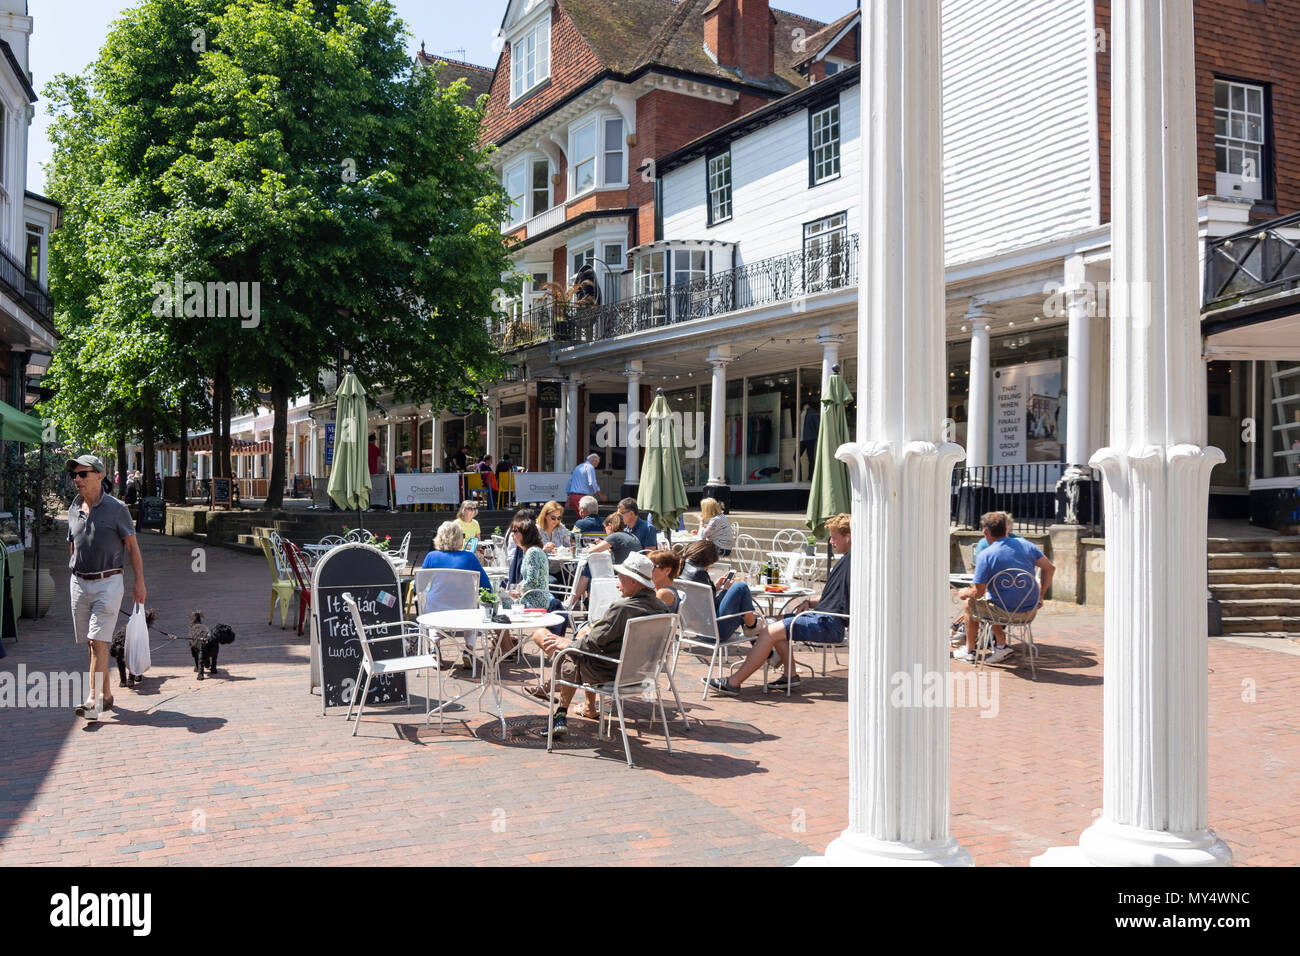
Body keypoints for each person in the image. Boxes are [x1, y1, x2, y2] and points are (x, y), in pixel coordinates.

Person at [706, 513, 851, 694]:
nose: (830, 541)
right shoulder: (846, 560)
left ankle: (733, 682)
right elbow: (836, 597)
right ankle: (790, 675)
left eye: (834, 537)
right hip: (823, 617)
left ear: (848, 536)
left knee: (769, 631)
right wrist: (809, 602)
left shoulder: (854, 562)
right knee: (771, 622)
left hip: (830, 624)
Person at [531, 553, 669, 736]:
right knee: (577, 641)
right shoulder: (662, 608)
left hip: (609, 673)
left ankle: (560, 712)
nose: (617, 581)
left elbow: (592, 644)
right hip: (642, 675)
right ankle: (577, 705)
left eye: (620, 577)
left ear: (634, 582)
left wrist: (567, 643)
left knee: (564, 651)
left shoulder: (623, 609)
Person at [66, 454, 147, 721]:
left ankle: (92, 701)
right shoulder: (73, 508)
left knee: (97, 641)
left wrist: (139, 583)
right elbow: (73, 543)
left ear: (99, 475)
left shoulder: (117, 508)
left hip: (109, 581)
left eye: (83, 474)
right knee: (92, 645)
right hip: (79, 582)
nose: (77, 479)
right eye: (75, 475)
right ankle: (108, 695)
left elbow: (133, 548)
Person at [953, 511, 1054, 664]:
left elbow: (978, 593)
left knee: (969, 603)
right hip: (1030, 610)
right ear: (1007, 529)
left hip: (1002, 612)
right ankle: (1001, 646)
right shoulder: (1026, 545)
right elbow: (1050, 568)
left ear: (985, 532)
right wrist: (1041, 595)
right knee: (993, 601)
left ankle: (970, 651)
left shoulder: (986, 555)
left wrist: (964, 592)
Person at [680, 539, 760, 637]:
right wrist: (725, 589)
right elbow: (713, 607)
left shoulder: (682, 568)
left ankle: (754, 630)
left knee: (743, 607)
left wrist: (715, 587)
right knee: (740, 587)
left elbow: (702, 603)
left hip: (696, 630)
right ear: (707, 560)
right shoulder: (699, 573)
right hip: (713, 632)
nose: (709, 567)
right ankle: (753, 626)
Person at [421, 521, 490, 590]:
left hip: (437, 600)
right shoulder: (469, 557)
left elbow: (419, 586)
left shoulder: (431, 557)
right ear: (460, 539)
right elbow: (486, 586)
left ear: (439, 538)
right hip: (465, 600)